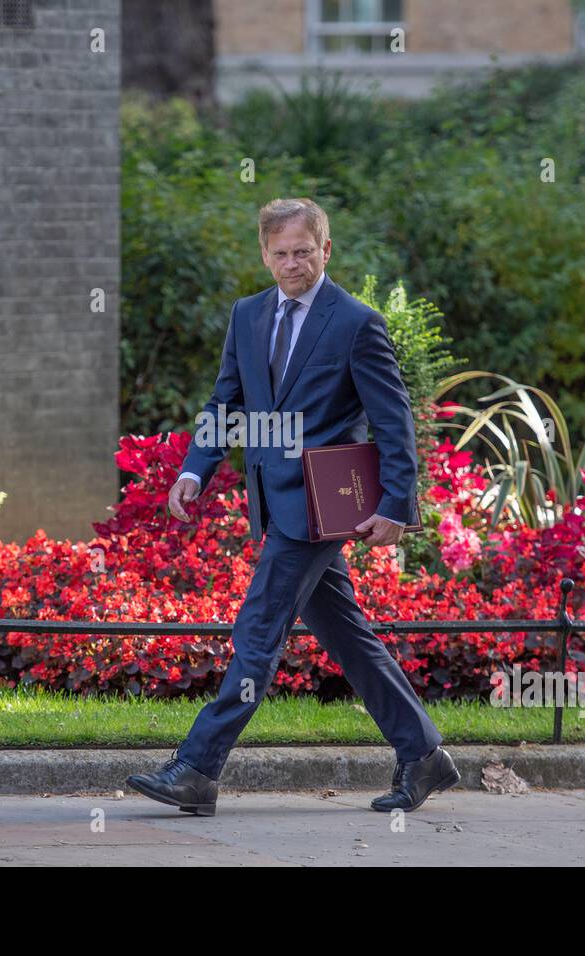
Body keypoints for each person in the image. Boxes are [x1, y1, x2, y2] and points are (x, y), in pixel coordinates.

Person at [125, 198, 459, 816]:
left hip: (321, 506)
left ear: (325, 250)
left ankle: (197, 768)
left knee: (257, 631)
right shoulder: (247, 315)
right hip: (272, 502)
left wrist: (395, 502)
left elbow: (394, 422)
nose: (291, 264)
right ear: (264, 254)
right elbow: (225, 400)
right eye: (279, 253)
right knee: (349, 638)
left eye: (303, 252)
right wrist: (196, 469)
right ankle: (425, 754)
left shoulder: (358, 323)